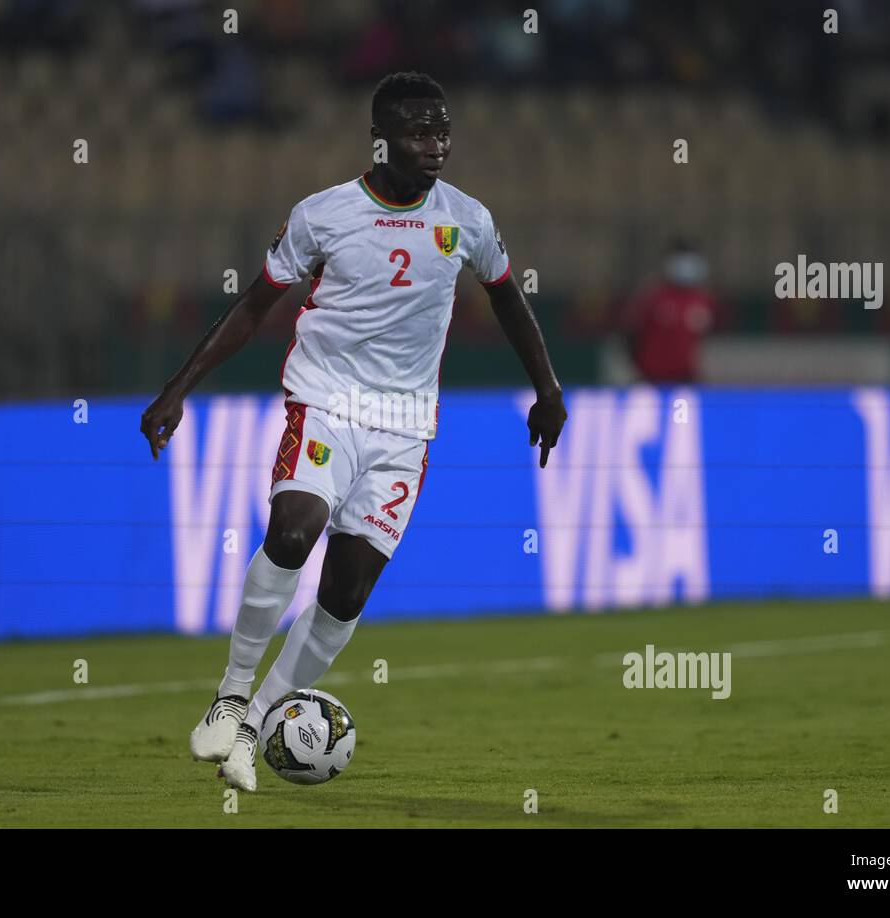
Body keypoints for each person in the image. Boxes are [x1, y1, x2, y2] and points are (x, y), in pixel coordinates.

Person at [139, 72, 567, 791]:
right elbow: (253, 306)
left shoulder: (467, 219)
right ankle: (234, 689)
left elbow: (509, 303)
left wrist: (548, 388)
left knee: (345, 591)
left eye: (442, 130)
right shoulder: (324, 215)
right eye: (419, 132)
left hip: (406, 427)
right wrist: (179, 388)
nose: (436, 145)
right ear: (381, 139)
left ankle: (254, 728)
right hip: (326, 402)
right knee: (294, 531)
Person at [621, 239, 720, 383]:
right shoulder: (652, 297)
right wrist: (639, 365)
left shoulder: (704, 300)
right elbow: (631, 333)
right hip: (651, 378)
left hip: (686, 378)